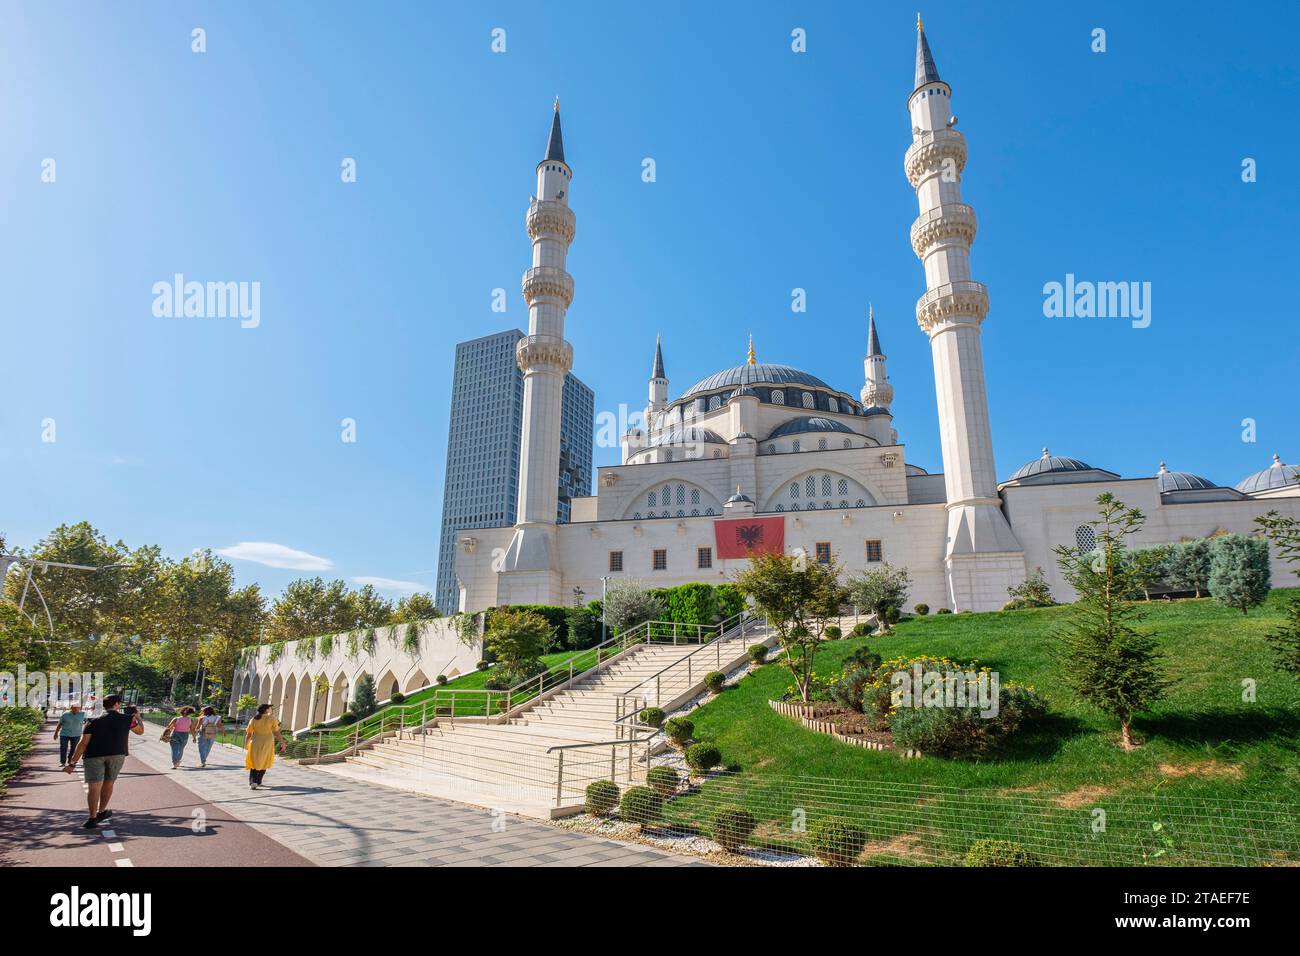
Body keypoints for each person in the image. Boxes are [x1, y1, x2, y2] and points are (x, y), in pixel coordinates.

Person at [63, 695, 144, 829]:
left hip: (93, 755)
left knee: (94, 786)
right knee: (109, 782)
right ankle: (102, 811)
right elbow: (140, 732)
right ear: (117, 704)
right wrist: (138, 718)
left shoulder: (92, 721)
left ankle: (92, 818)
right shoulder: (127, 719)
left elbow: (83, 743)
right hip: (117, 754)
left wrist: (72, 763)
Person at [243, 704, 286, 790]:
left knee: (254, 761)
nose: (270, 709)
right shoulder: (272, 718)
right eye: (269, 708)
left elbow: (249, 733)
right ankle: (258, 781)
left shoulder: (254, 719)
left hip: (255, 742)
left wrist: (246, 743)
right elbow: (276, 732)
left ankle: (253, 782)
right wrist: (282, 742)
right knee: (265, 760)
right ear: (266, 710)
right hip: (268, 742)